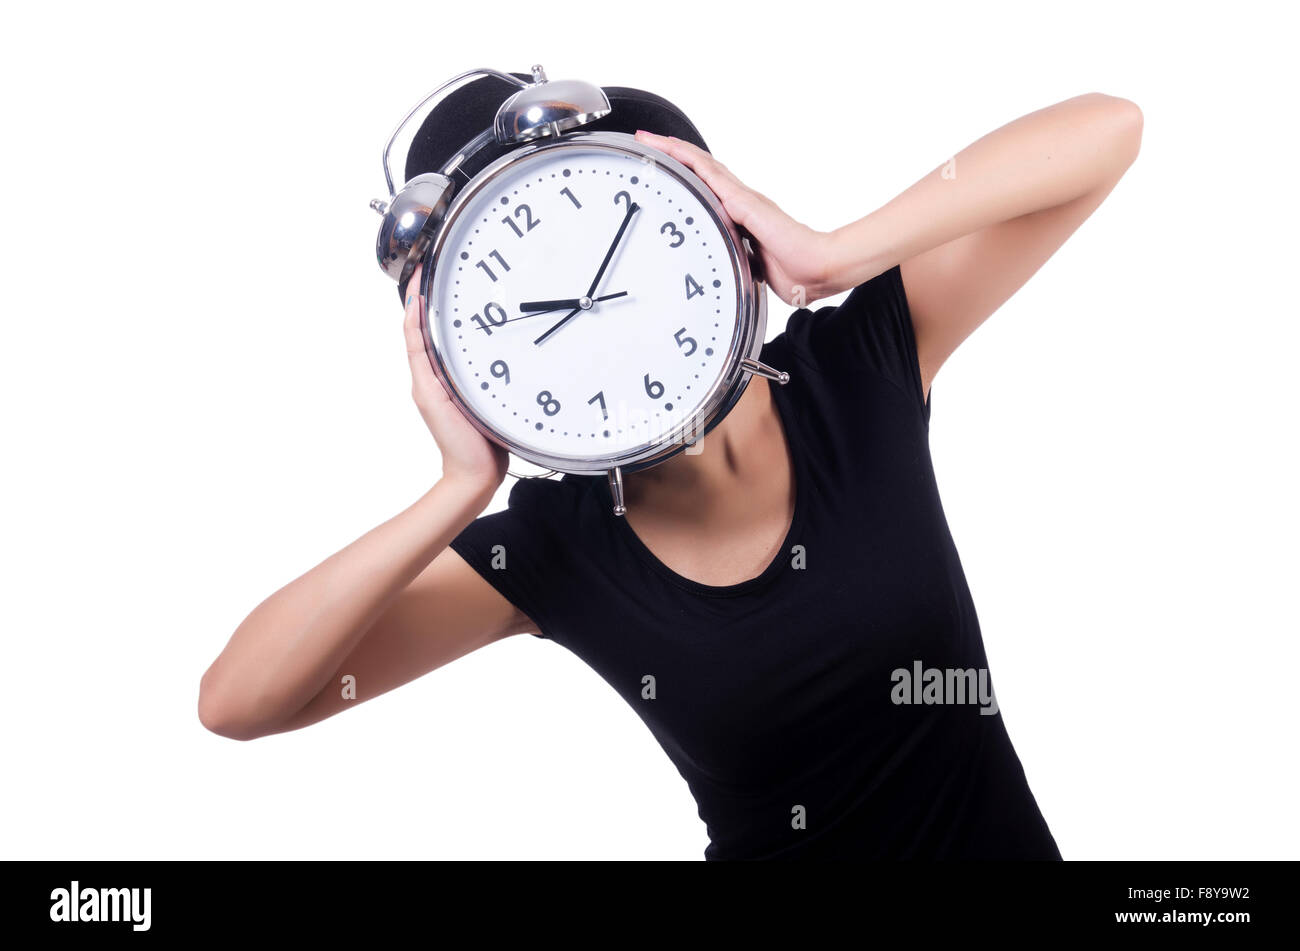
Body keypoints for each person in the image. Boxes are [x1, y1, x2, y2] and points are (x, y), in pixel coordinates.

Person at [198, 76, 1143, 860]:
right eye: (529, 320)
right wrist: (457, 489)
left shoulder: (857, 370)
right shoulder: (551, 549)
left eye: (627, 239)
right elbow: (239, 702)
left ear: (714, 217)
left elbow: (1109, 130)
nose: (602, 328)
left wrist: (833, 254)